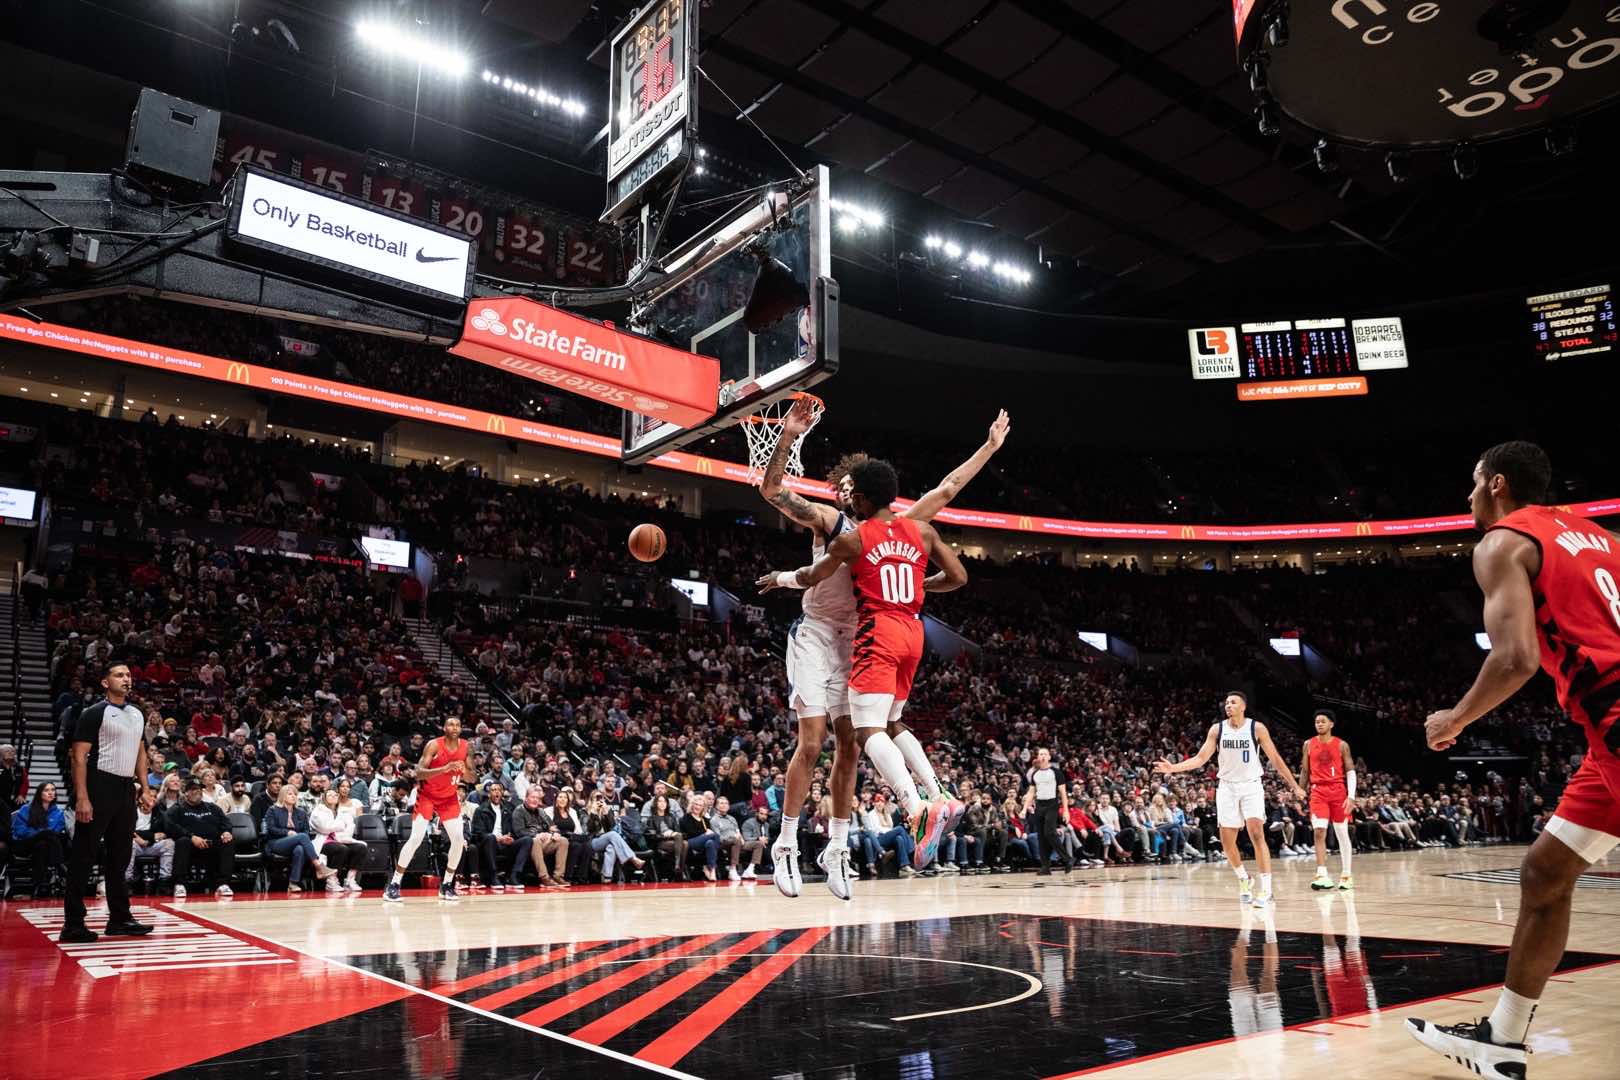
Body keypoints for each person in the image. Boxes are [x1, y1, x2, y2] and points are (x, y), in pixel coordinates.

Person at [1407, 442, 1620, 1076]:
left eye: (1472, 483)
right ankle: (1501, 1037)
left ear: (1497, 484)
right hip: (1604, 737)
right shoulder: (1599, 536)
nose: (1467, 497)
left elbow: (1515, 658)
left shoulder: (1503, 542)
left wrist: (1455, 719)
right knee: (1546, 872)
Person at [755, 404, 1005, 898]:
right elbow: (772, 491)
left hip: (866, 636)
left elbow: (948, 488)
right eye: (842, 486)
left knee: (851, 743)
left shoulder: (897, 526)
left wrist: (989, 447)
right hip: (819, 633)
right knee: (812, 743)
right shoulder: (830, 521)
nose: (845, 491)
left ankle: (838, 847)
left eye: (852, 486)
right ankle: (785, 843)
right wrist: (786, 436)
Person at [1154, 691, 1305, 909]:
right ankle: (1244, 879)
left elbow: (1276, 759)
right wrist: (1173, 768)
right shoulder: (1218, 729)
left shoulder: (1257, 728)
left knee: (1256, 833)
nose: (1228, 705)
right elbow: (1200, 758)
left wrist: (1295, 786)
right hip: (1226, 787)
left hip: (1251, 785)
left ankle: (1266, 890)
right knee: (1227, 841)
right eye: (1226, 703)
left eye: (1233, 702)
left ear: (1243, 706)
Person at [62, 661, 152, 942]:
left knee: (120, 856)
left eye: (128, 675)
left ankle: (120, 919)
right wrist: (82, 797)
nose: (126, 679)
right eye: (119, 675)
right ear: (105, 682)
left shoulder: (138, 714)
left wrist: (145, 789)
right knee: (84, 854)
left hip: (126, 789)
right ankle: (73, 924)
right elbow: (78, 757)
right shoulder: (94, 713)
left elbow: (140, 753)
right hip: (98, 784)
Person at [385, 716, 473, 903]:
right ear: (444, 728)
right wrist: (445, 768)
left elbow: (473, 778)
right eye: (451, 724)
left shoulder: (466, 746)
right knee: (416, 838)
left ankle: (447, 884)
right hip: (427, 796)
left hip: (449, 798)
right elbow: (418, 772)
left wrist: (465, 771)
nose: (455, 727)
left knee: (458, 839)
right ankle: (393, 884)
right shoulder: (433, 745)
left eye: (458, 724)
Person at [1301, 709, 1357, 891]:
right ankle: (1321, 874)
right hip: (1318, 791)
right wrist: (1300, 790)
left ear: (1331, 724)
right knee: (1318, 831)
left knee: (1342, 832)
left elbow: (1350, 770)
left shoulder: (1342, 745)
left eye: (1323, 721)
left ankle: (1346, 874)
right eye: (1317, 721)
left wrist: (1351, 796)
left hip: (1338, 791)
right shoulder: (1308, 744)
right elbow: (1304, 770)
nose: (1319, 724)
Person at [167, 778, 237, 899]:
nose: (197, 792)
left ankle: (223, 884)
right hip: (190, 845)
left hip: (211, 844)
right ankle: (180, 884)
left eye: (199, 789)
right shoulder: (178, 808)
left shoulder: (212, 808)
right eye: (193, 789)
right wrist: (191, 836)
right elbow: (170, 826)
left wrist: (226, 831)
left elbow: (226, 822)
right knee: (182, 842)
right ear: (186, 792)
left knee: (228, 842)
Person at [260, 784, 329, 892]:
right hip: (276, 843)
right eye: (290, 794)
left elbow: (306, 830)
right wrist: (287, 833)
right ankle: (318, 866)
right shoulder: (273, 810)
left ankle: (293, 883)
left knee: (300, 849)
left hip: (297, 842)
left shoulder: (301, 812)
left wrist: (296, 836)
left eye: (295, 794)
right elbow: (271, 829)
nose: (294, 796)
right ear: (283, 795)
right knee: (301, 836)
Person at [11, 782, 69, 897]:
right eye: (46, 790)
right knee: (46, 834)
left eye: (53, 790)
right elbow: (20, 831)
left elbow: (56, 833)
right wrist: (39, 833)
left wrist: (41, 834)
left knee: (42, 845)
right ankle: (61, 867)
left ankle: (36, 886)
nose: (50, 792)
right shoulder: (26, 809)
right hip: (24, 844)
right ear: (39, 793)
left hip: (45, 846)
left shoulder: (59, 814)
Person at [1022, 748, 1072, 875]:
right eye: (1040, 754)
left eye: (1045, 754)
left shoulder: (1056, 772)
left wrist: (1066, 811)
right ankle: (1045, 866)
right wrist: (1024, 808)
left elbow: (1063, 793)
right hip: (1039, 805)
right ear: (1038, 758)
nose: (1042, 756)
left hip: (1052, 804)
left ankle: (1067, 858)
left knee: (1050, 832)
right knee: (1041, 836)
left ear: (1049, 757)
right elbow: (1031, 793)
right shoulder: (1035, 774)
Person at [311, 787, 367, 894]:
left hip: (341, 840)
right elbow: (323, 828)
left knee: (360, 847)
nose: (334, 796)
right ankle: (331, 881)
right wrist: (340, 826)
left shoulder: (343, 812)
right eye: (330, 795)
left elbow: (349, 829)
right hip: (324, 842)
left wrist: (336, 828)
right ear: (324, 798)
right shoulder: (318, 810)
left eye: (335, 795)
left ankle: (350, 879)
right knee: (341, 849)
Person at [511, 786, 565, 889]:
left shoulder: (541, 811)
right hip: (528, 843)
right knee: (535, 841)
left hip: (544, 841)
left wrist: (556, 833)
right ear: (526, 798)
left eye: (537, 798)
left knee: (563, 841)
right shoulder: (518, 811)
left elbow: (553, 826)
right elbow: (519, 832)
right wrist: (536, 834)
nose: (535, 800)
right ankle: (544, 877)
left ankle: (558, 875)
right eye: (532, 797)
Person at [470, 782, 520, 891]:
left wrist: (511, 837)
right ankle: (493, 876)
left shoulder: (509, 808)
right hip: (487, 843)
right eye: (493, 790)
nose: (496, 792)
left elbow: (515, 828)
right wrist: (497, 838)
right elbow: (477, 833)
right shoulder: (481, 809)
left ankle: (513, 876)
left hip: (505, 842)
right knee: (491, 838)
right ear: (489, 794)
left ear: (502, 793)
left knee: (527, 841)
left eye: (499, 790)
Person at [126, 787, 176, 889]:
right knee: (129, 843)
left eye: (154, 797)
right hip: (135, 844)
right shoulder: (131, 810)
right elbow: (126, 830)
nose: (153, 799)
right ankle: (127, 881)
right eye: (150, 796)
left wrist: (149, 839)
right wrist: (151, 836)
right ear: (140, 799)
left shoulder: (159, 812)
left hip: (151, 845)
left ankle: (164, 880)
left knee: (169, 843)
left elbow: (169, 831)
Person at [645, 793, 688, 881]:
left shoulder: (671, 817)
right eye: (660, 801)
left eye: (664, 801)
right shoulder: (651, 819)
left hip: (674, 841)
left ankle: (677, 867)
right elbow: (651, 836)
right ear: (656, 803)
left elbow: (679, 833)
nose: (662, 803)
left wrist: (672, 833)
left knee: (684, 842)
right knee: (684, 844)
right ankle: (679, 871)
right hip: (660, 843)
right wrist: (664, 835)